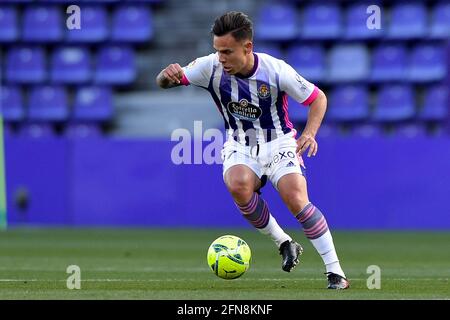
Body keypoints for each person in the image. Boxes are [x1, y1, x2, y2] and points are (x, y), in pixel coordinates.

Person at [156, 11, 349, 289]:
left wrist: (309, 133)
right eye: (217, 51)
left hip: (280, 141)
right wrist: (166, 74)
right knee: (238, 185)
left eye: (227, 52)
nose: (221, 58)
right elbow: (164, 82)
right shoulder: (209, 67)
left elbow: (317, 98)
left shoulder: (275, 70)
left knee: (295, 198)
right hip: (240, 143)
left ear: (247, 48)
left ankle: (336, 272)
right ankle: (284, 242)